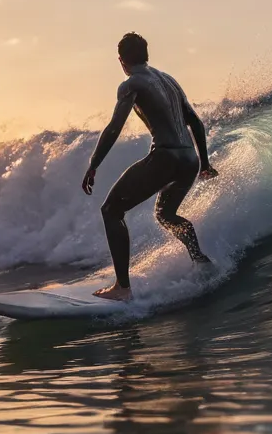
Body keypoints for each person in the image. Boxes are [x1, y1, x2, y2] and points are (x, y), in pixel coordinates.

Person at [82, 33, 218, 301]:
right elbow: (196, 122)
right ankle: (201, 262)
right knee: (166, 214)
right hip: (189, 159)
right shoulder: (169, 80)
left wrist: (93, 164)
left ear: (121, 61)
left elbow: (114, 128)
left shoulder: (131, 83)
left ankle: (122, 288)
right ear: (146, 55)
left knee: (111, 210)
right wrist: (205, 163)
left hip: (165, 157)